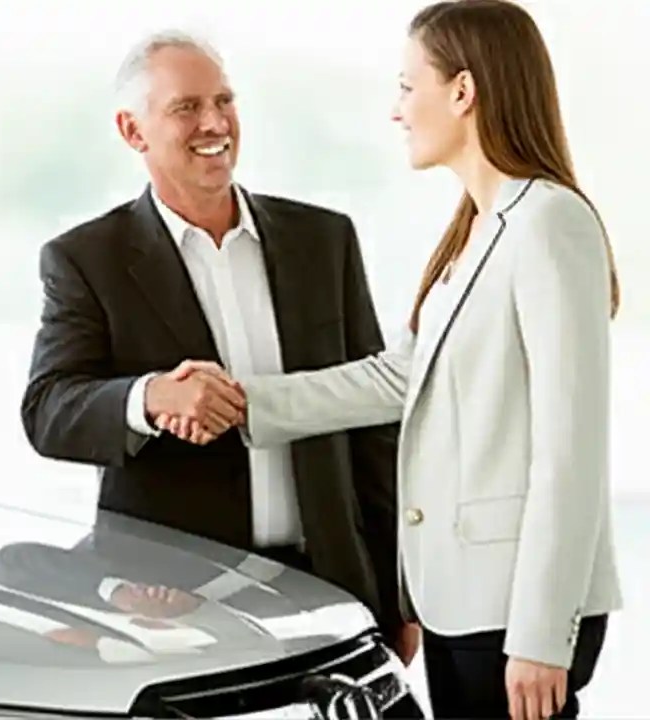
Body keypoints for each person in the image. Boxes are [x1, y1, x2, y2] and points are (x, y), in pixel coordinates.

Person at [159, 2, 621, 718]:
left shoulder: (549, 222)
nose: (397, 110)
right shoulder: (479, 230)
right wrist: (244, 402)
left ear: (463, 91)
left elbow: (571, 451)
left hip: (515, 613)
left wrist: (541, 635)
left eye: (408, 86)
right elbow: (398, 377)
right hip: (462, 599)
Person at [18, 29, 421, 667]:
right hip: (172, 603)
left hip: (332, 588)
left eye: (224, 101)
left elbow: (373, 425)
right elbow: (47, 410)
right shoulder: (86, 259)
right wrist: (150, 399)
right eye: (187, 107)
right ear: (132, 131)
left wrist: (399, 596)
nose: (214, 123)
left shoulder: (324, 239)